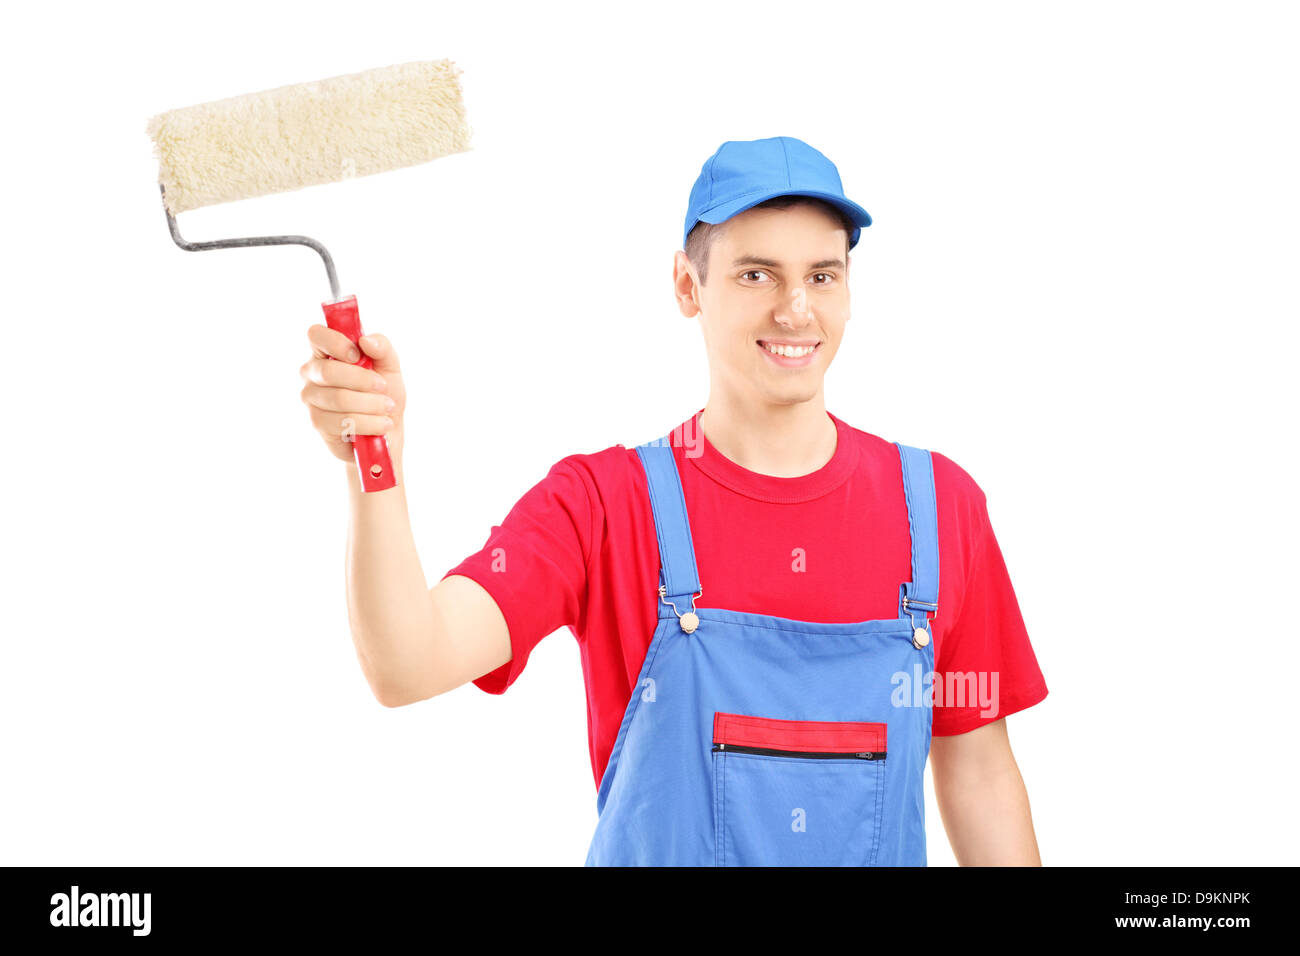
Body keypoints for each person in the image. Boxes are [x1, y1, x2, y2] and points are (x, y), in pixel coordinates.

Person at [298, 136, 1048, 866]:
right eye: (756, 275)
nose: (795, 310)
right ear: (688, 287)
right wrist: (380, 463)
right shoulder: (601, 506)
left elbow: (978, 771)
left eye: (822, 275)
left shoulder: (940, 510)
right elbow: (406, 661)